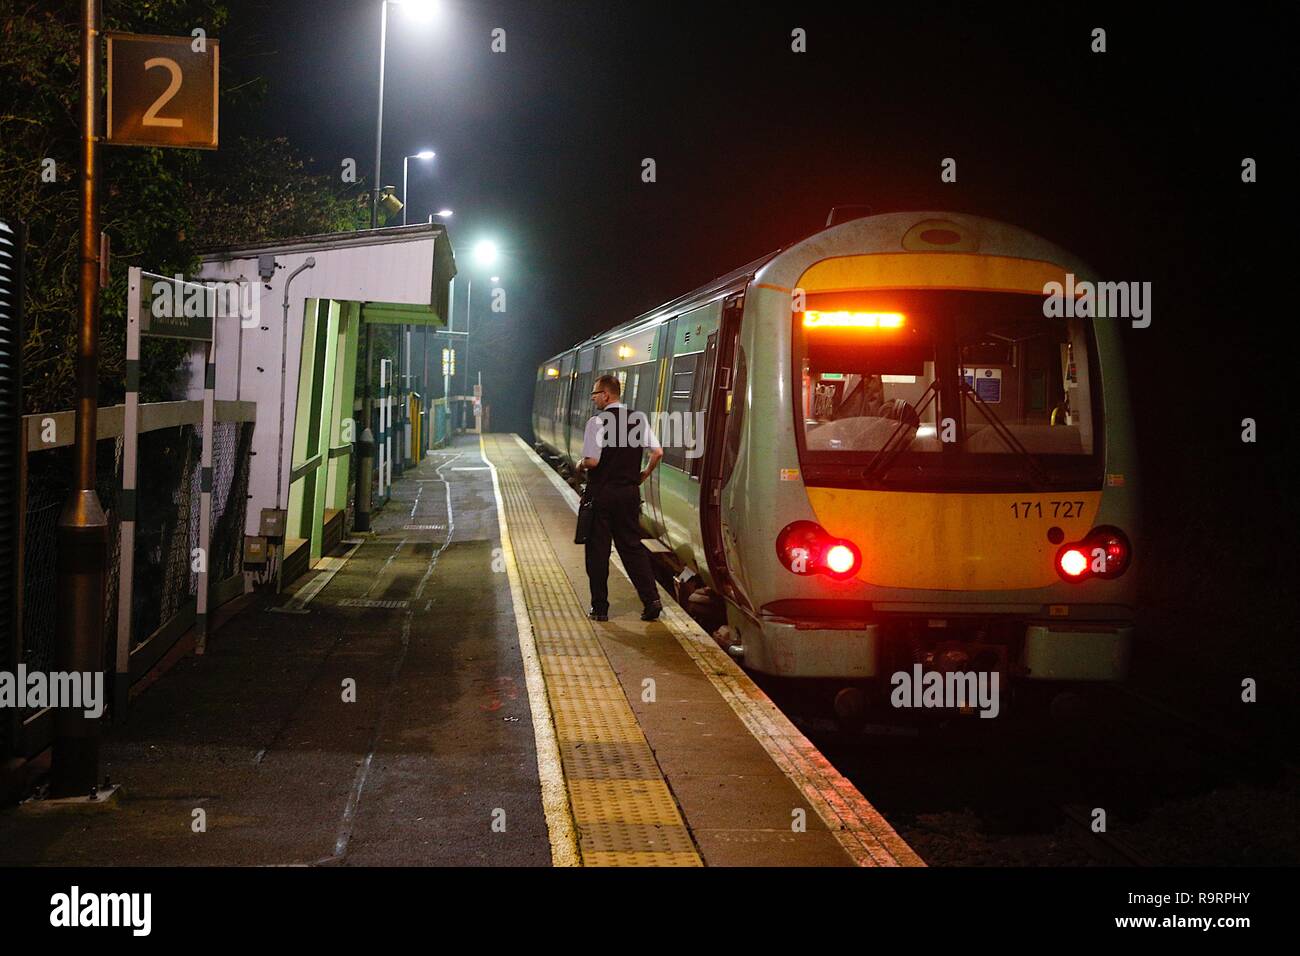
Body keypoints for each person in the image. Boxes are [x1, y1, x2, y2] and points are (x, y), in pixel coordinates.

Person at [579, 374, 664, 622]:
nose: (593, 398)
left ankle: (600, 607)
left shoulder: (596, 422)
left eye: (595, 394)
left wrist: (579, 463)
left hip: (601, 495)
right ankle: (652, 601)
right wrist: (643, 474)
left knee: (598, 552)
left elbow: (593, 461)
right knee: (632, 548)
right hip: (628, 494)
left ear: (606, 395)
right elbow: (658, 452)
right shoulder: (637, 419)